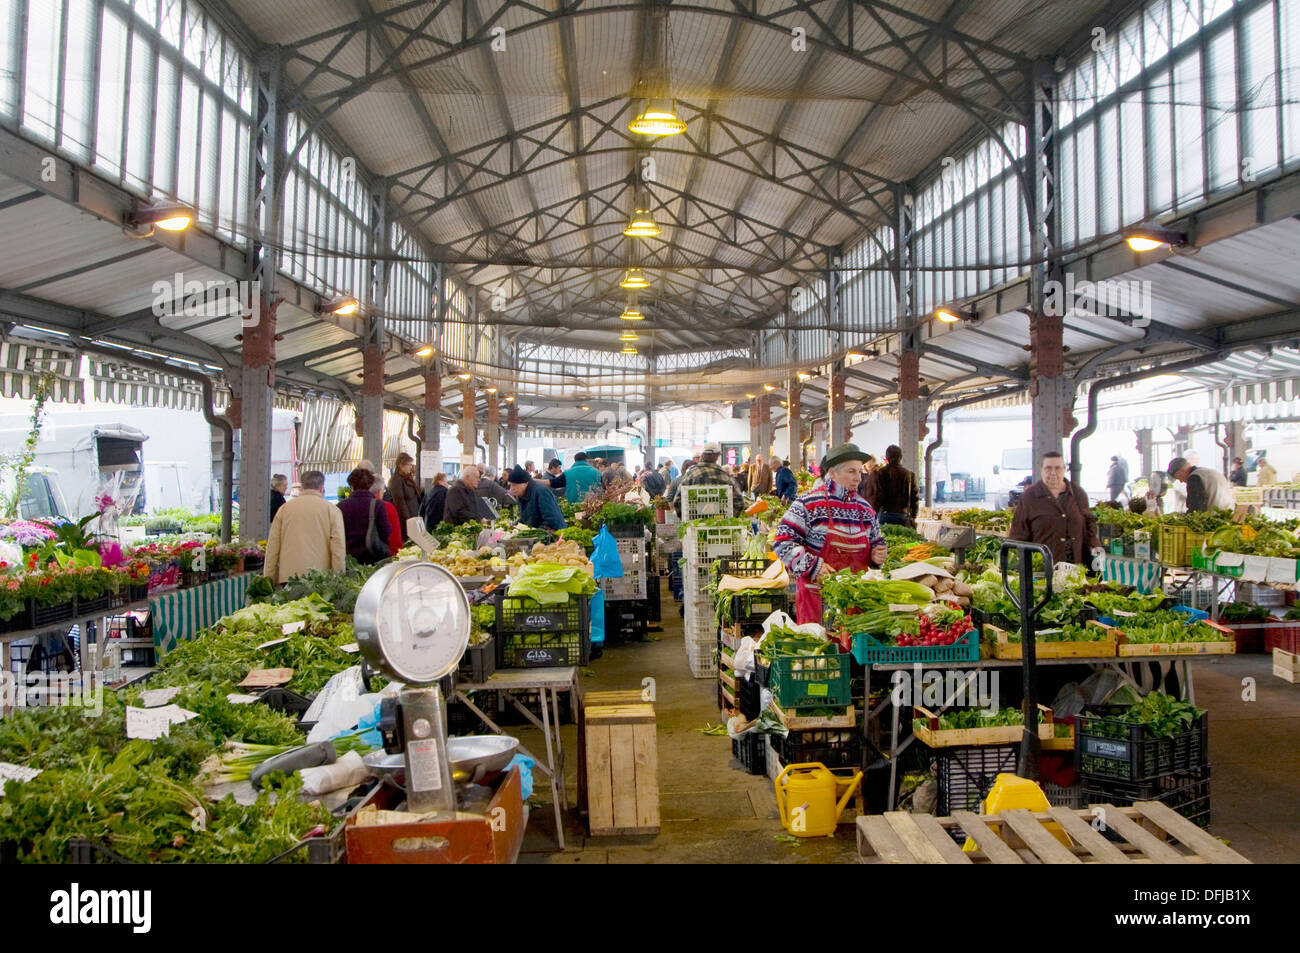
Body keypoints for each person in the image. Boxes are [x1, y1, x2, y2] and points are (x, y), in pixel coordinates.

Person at [774, 444, 889, 624]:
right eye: (851, 471)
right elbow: (782, 541)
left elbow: (877, 542)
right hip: (817, 598)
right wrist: (813, 566)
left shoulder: (865, 509)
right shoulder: (808, 504)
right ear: (832, 473)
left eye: (860, 472)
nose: (858, 478)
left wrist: (877, 555)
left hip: (858, 603)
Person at [1009, 451, 1101, 565]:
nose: (1053, 473)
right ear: (1041, 470)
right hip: (1043, 572)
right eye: (1048, 468)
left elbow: (1089, 522)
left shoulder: (1078, 493)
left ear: (1064, 469)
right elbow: (1018, 535)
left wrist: (1094, 545)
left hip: (1076, 571)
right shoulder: (1029, 497)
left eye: (1058, 468)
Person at [263, 470, 345, 584]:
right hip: (320, 579)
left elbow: (272, 547)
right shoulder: (332, 511)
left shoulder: (284, 509)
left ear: (301, 487)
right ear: (322, 488)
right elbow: (338, 549)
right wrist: (338, 579)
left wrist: (269, 578)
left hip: (288, 578)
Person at [336, 467, 393, 565]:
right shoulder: (377, 505)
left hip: (349, 560)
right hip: (374, 558)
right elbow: (386, 532)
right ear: (370, 485)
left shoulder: (340, 506)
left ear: (351, 486)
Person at [669, 442, 742, 516]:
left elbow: (677, 502)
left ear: (702, 456)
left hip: (694, 524)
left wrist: (685, 518)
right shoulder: (726, 477)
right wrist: (728, 519)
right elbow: (739, 503)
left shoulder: (690, 475)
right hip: (720, 525)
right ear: (717, 457)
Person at [868, 445, 919, 527]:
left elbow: (877, 495)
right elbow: (914, 498)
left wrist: (874, 514)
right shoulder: (909, 474)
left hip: (885, 514)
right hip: (903, 515)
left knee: (884, 538)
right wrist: (914, 516)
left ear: (886, 457)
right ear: (901, 457)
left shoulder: (880, 473)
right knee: (904, 539)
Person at [507, 465, 567, 530]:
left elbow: (552, 519)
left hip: (554, 534)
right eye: (510, 485)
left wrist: (534, 533)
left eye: (514, 485)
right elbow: (525, 518)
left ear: (525, 483)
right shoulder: (521, 495)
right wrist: (513, 527)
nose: (511, 489)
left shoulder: (540, 492)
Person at [1166, 456, 1236, 512]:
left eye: (1179, 478)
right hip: (1229, 512)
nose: (1181, 481)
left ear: (1182, 471)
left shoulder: (1194, 477)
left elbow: (1196, 506)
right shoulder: (1207, 472)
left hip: (1215, 517)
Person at [387, 452, 422, 541]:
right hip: (406, 521)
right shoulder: (396, 480)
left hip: (413, 517)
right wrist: (408, 519)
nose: (411, 467)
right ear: (401, 466)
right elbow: (400, 501)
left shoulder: (408, 478)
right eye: (409, 464)